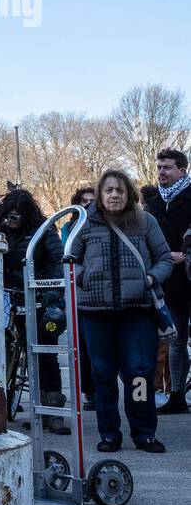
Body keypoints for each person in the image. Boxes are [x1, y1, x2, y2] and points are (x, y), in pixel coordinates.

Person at [72, 169, 171, 453]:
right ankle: (109, 434)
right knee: (102, 375)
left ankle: (143, 432)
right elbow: (68, 259)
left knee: (139, 373)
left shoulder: (145, 221)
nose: (114, 194)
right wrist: (81, 276)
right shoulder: (85, 223)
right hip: (95, 311)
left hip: (138, 311)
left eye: (120, 190)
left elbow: (164, 258)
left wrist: (150, 279)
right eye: (109, 190)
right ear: (100, 195)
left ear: (129, 194)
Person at [0, 188, 69, 434]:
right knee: (13, 349)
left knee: (45, 354)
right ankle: (36, 408)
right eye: (9, 213)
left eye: (17, 214)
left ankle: (54, 412)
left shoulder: (44, 232)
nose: (12, 219)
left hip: (40, 298)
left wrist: (50, 291)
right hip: (10, 297)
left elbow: (59, 260)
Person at [147, 148, 190, 414]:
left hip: (188, 274)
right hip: (169, 282)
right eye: (159, 167)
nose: (161, 171)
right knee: (175, 339)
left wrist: (185, 255)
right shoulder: (152, 201)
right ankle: (176, 396)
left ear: (182, 170)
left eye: (167, 167)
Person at [61, 186, 97, 408]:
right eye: (84, 201)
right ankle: (89, 391)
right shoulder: (70, 227)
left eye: (92, 201)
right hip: (79, 291)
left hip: (99, 291)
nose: (88, 205)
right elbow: (68, 255)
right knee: (82, 345)